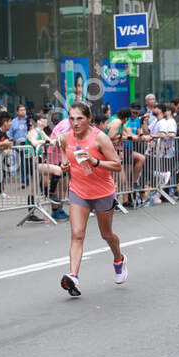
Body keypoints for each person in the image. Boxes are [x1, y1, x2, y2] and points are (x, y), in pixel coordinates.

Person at [54, 102, 125, 296]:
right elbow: (63, 152)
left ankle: (119, 259)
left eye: (79, 118)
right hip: (78, 191)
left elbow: (117, 165)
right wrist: (64, 163)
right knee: (77, 234)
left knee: (106, 234)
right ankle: (73, 277)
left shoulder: (99, 139)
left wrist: (95, 161)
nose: (75, 123)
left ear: (89, 119)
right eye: (72, 119)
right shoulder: (65, 138)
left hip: (102, 192)